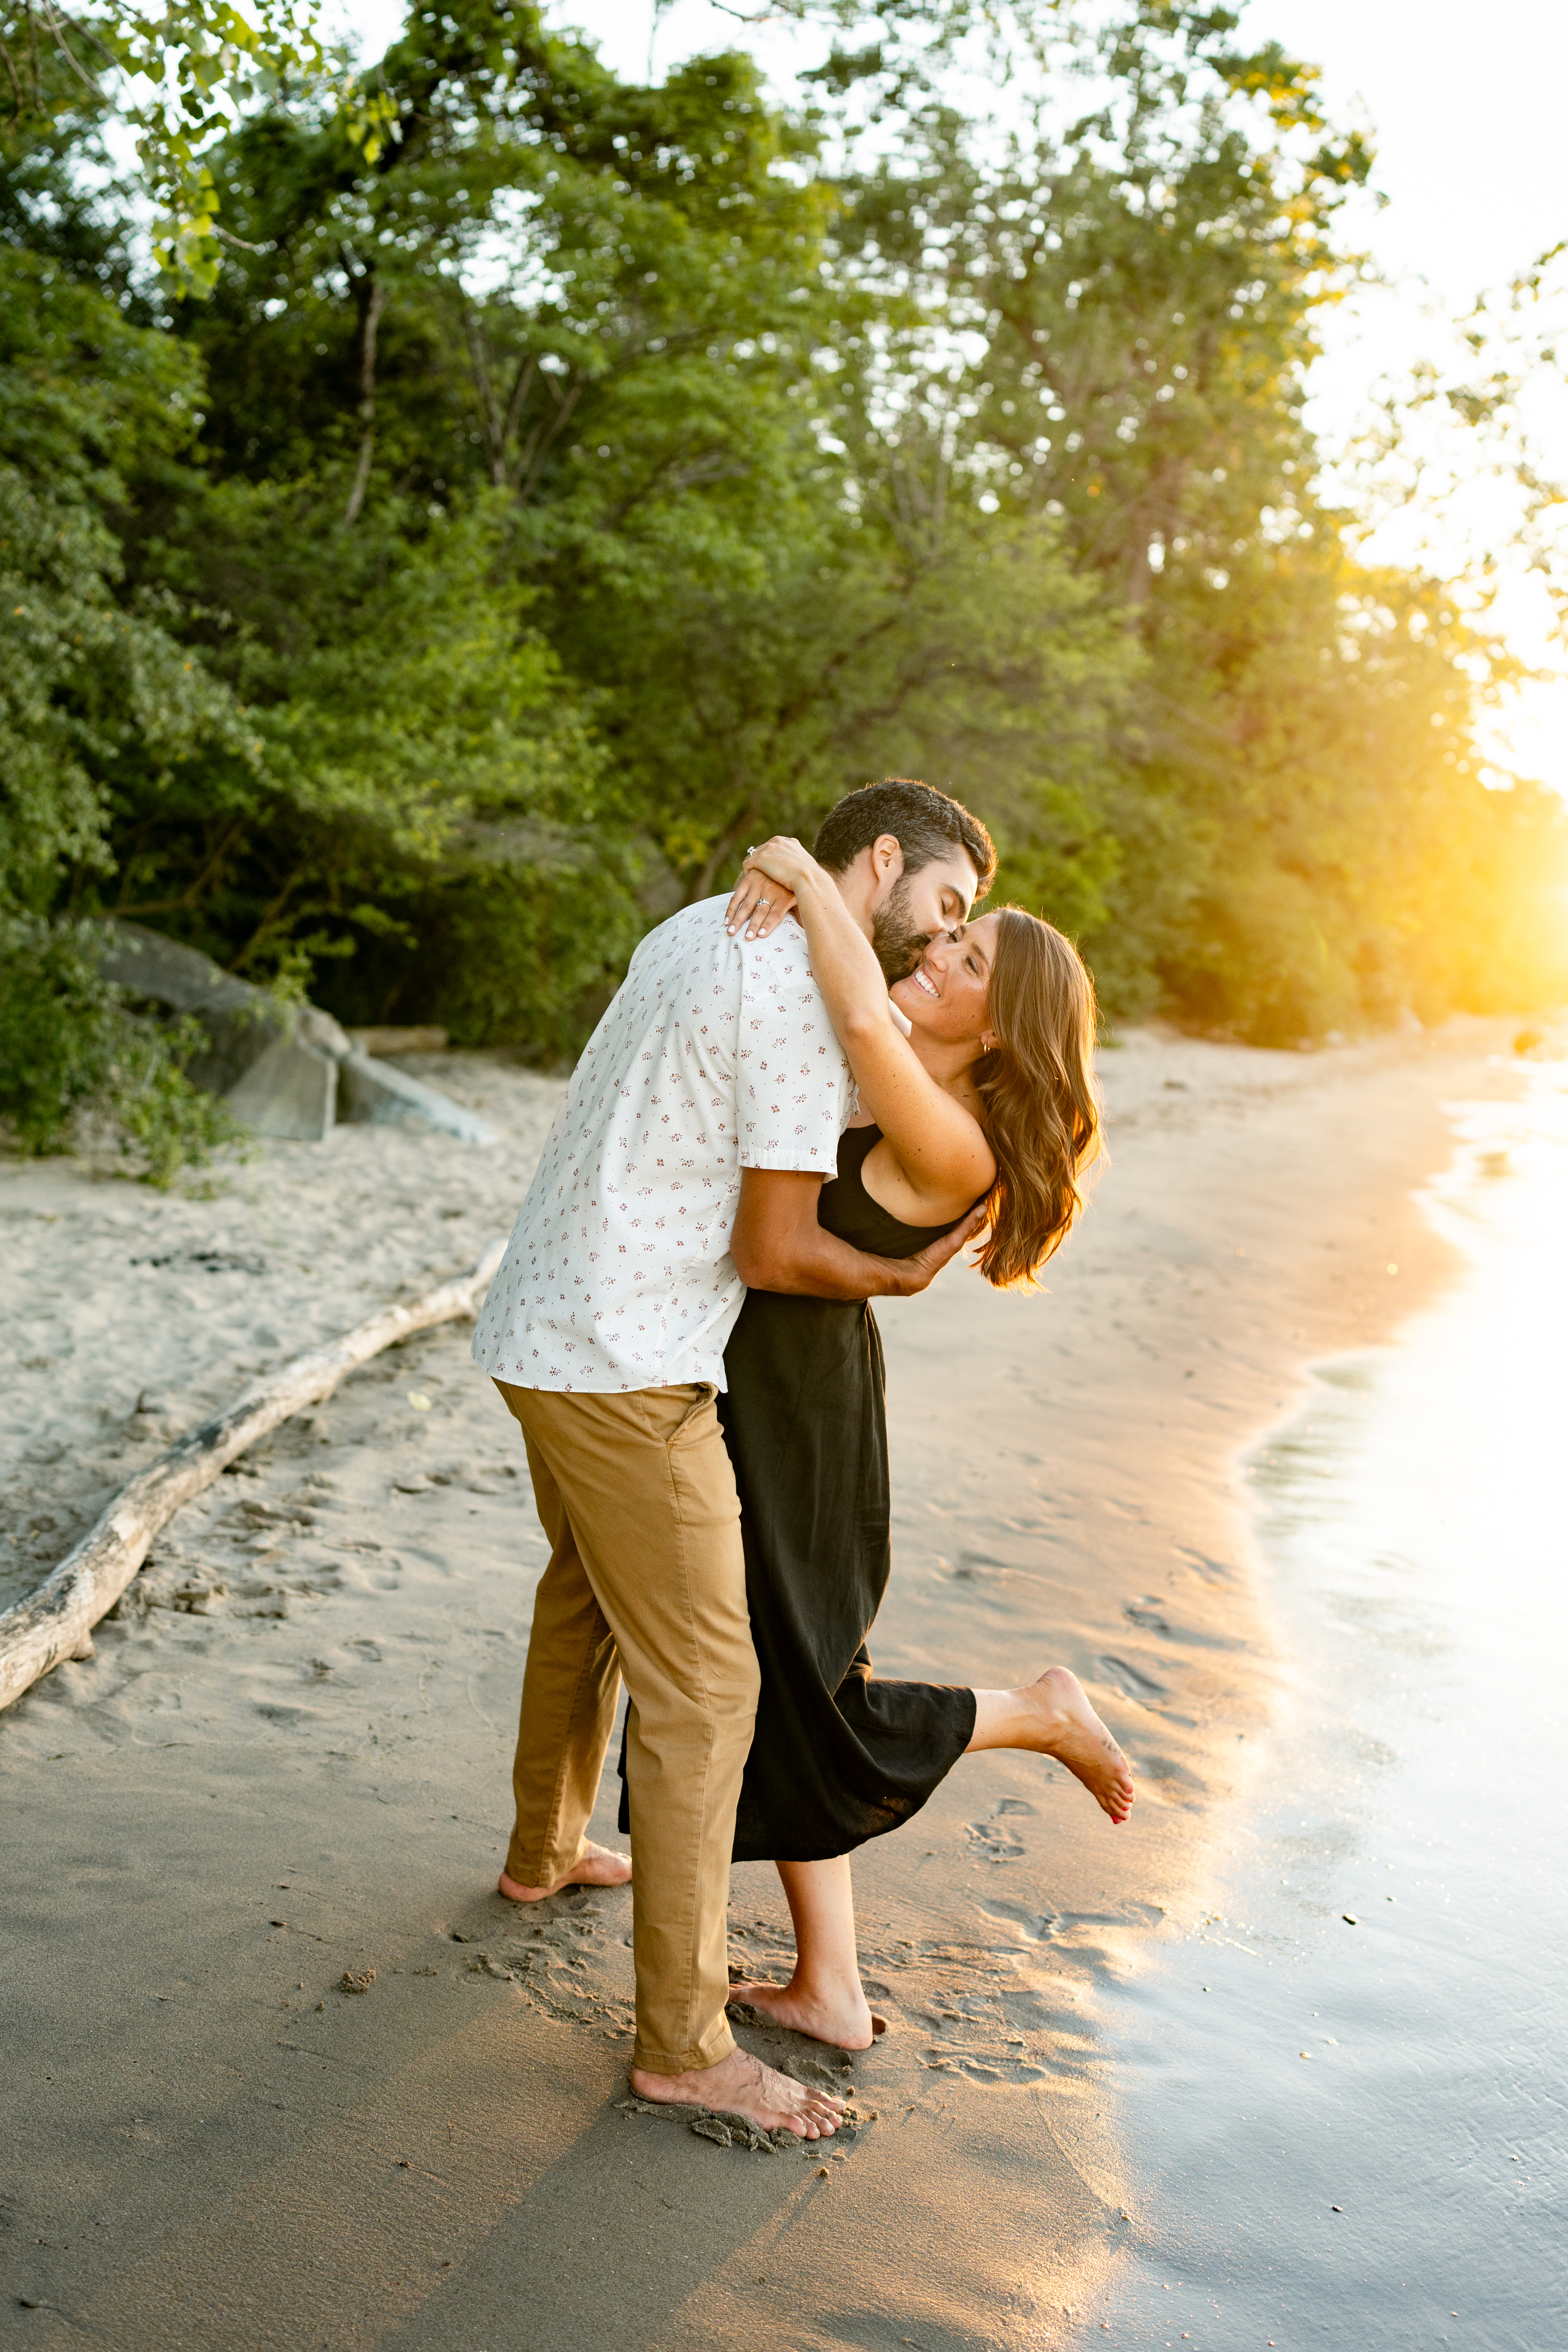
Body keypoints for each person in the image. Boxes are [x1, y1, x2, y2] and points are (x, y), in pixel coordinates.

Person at [471, 780, 995, 2137]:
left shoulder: (706, 922)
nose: (936, 944)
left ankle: (541, 1852)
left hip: (538, 1313)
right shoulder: (805, 1012)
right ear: (878, 864)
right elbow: (772, 1251)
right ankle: (684, 2044)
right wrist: (902, 1279)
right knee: (710, 1687)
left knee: (582, 1593)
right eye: (940, 909)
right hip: (624, 1359)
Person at [702, 832, 1135, 2053]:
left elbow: (848, 996)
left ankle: (1032, 1712)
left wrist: (794, 856)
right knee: (794, 1682)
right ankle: (829, 1986)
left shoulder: (952, 1138)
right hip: (782, 1390)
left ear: (1003, 1025)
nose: (938, 946)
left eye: (967, 947)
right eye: (946, 928)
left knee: (796, 1690)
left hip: (803, 1413)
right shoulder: (912, 1094)